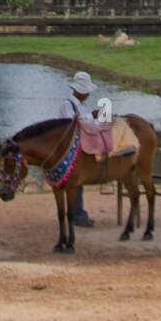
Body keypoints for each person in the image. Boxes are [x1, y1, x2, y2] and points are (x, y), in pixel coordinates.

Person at [59, 71, 101, 227]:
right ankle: (77, 214)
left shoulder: (84, 105)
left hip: (82, 146)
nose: (88, 94)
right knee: (75, 183)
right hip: (70, 149)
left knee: (78, 183)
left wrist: (96, 118)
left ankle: (78, 213)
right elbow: (73, 125)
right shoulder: (67, 105)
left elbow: (87, 122)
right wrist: (91, 117)